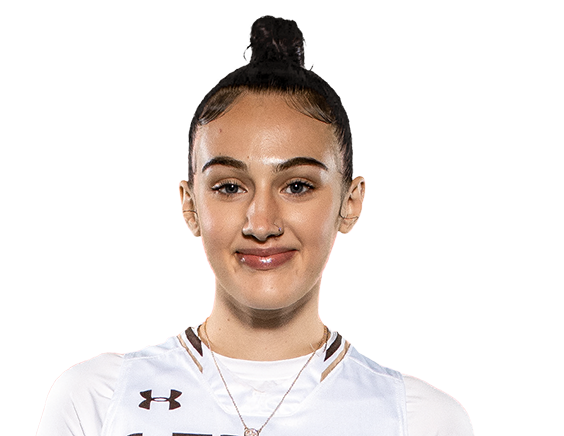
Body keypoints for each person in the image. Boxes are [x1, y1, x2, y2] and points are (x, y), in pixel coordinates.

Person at [37, 15, 474, 436]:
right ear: (190, 206)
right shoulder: (98, 399)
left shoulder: (420, 420)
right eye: (229, 187)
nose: (261, 224)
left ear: (350, 202)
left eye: (298, 186)